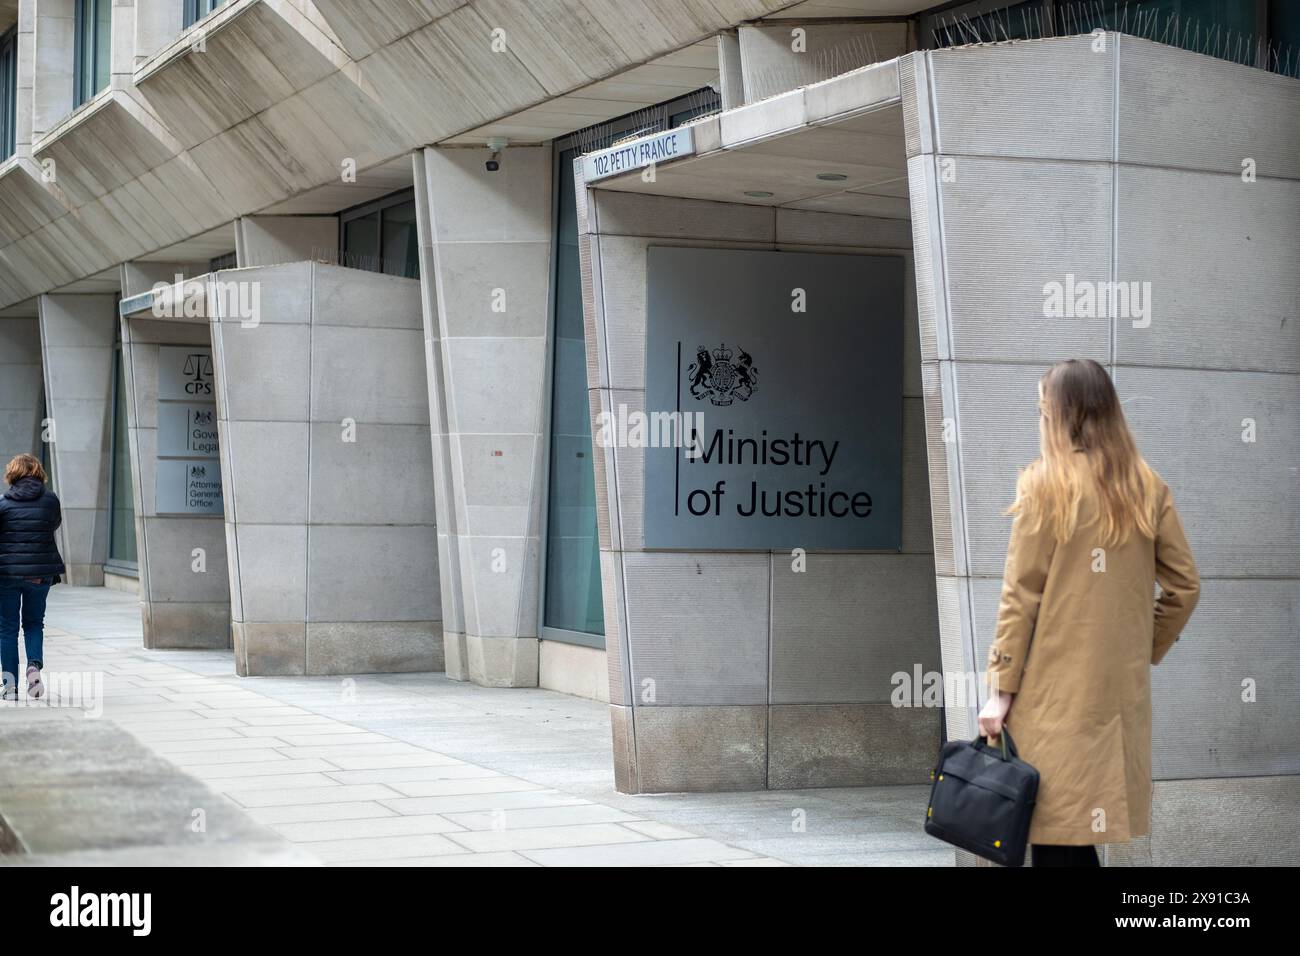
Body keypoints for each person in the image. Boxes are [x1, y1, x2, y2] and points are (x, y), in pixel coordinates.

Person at [977, 359, 1200, 867]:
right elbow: (1185, 587)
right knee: (1076, 835)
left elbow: (1020, 596)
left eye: (1043, 407)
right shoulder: (1146, 485)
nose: (1040, 417)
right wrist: (1139, 650)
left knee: (1055, 835)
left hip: (1050, 697)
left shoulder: (1046, 485)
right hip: (1115, 698)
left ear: (1063, 414)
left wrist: (999, 692)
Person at [0, 453, 66, 701]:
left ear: (12, 474)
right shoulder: (50, 501)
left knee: (7, 628)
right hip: (40, 574)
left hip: (7, 574)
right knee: (34, 623)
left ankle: (9, 686)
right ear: (38, 472)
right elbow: (54, 524)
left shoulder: (3, 503)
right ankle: (33, 667)